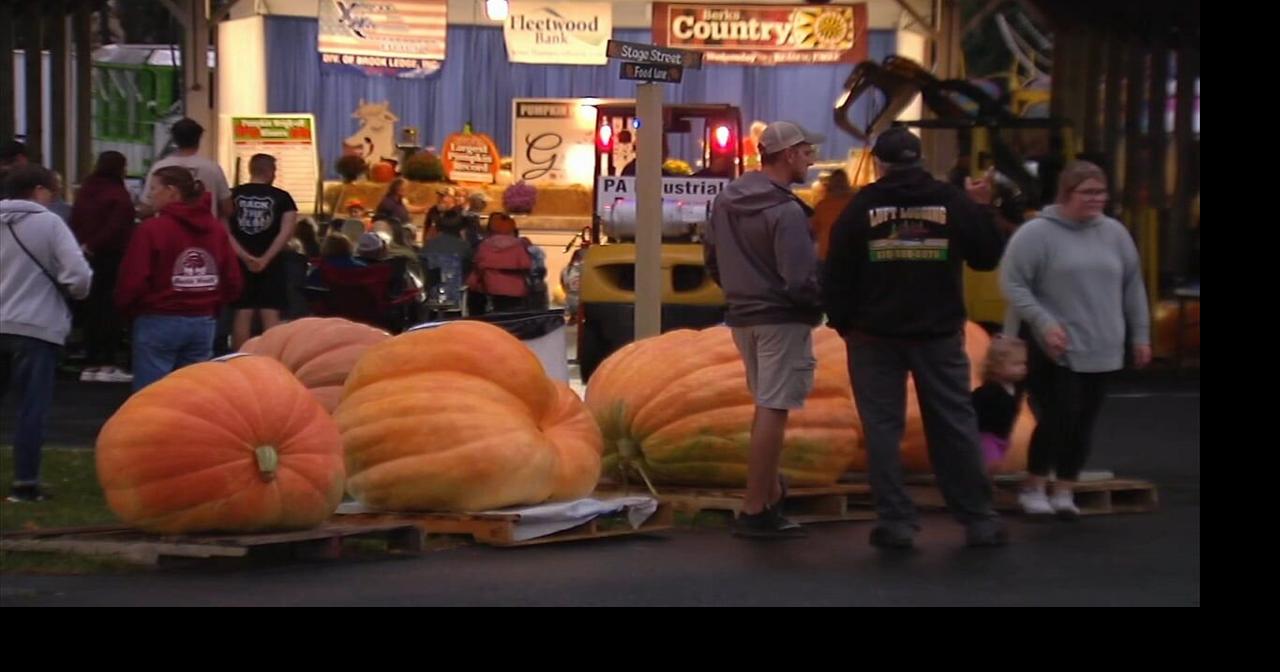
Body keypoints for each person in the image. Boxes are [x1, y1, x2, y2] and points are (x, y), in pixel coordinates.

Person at [822, 126, 1008, 549]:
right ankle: (978, 517)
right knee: (954, 422)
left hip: (873, 336)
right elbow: (986, 257)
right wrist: (981, 208)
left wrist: (844, 324)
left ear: (881, 164)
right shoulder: (951, 201)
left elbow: (836, 273)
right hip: (938, 333)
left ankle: (897, 522)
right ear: (920, 159)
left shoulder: (861, 207)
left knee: (883, 428)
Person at [1000, 160, 1151, 519]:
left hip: (1104, 340)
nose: (1097, 199)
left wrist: (1140, 335)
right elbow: (1013, 283)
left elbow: (1133, 286)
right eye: (1088, 192)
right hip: (1055, 344)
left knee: (1084, 420)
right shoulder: (1036, 234)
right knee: (1058, 415)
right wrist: (1043, 322)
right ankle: (1034, 484)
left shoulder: (1115, 233)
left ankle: (1065, 487)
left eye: (1101, 192)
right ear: (1067, 194)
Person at [702, 121, 824, 538]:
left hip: (743, 317)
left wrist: (740, 293)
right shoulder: (785, 210)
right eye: (807, 152)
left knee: (764, 405)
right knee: (774, 408)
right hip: (781, 319)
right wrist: (820, 306)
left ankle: (768, 495)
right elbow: (798, 279)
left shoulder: (726, 201)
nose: (812, 159)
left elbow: (712, 259)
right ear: (788, 155)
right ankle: (755, 508)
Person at [1, 164, 93, 501]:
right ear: (40, 190)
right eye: (52, 192)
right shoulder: (50, 223)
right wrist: (75, 292)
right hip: (36, 326)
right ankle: (25, 483)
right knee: (31, 408)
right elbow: (79, 277)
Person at [116, 166, 243, 391]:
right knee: (191, 395)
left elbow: (133, 280)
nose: (150, 194)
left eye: (154, 188)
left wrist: (129, 310)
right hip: (203, 320)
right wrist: (213, 304)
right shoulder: (214, 229)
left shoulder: (151, 229)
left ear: (171, 191)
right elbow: (232, 278)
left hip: (158, 318)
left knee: (152, 396)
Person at [70, 151, 137, 383]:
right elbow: (117, 226)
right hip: (112, 257)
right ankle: (108, 363)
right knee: (110, 309)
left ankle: (90, 362)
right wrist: (96, 244)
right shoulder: (118, 195)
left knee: (91, 309)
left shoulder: (87, 190)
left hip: (86, 256)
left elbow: (75, 220)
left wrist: (85, 245)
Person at [227, 153, 298, 349]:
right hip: (272, 262)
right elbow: (287, 232)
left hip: (240, 262)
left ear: (251, 169)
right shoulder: (283, 198)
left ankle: (238, 359)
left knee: (243, 311)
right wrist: (265, 258)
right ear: (270, 172)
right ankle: (271, 358)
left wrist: (244, 256)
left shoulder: (232, 195)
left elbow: (224, 230)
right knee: (270, 311)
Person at [140, 118, 233, 220]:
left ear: (174, 140)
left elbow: (146, 207)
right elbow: (227, 208)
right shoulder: (212, 168)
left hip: (168, 230)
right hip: (203, 230)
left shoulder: (160, 167)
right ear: (198, 139)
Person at [972, 337, 1028, 473]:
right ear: (996, 367)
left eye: (1023, 363)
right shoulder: (988, 391)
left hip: (1002, 436)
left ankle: (985, 487)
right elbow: (971, 407)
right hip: (985, 434)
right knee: (991, 464)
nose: (1022, 368)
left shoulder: (1016, 388)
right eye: (1016, 364)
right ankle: (978, 487)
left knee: (995, 466)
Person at [809, 168, 854, 264]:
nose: (838, 184)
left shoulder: (821, 205)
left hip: (833, 255)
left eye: (840, 182)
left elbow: (813, 231)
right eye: (837, 182)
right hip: (844, 255)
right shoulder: (855, 203)